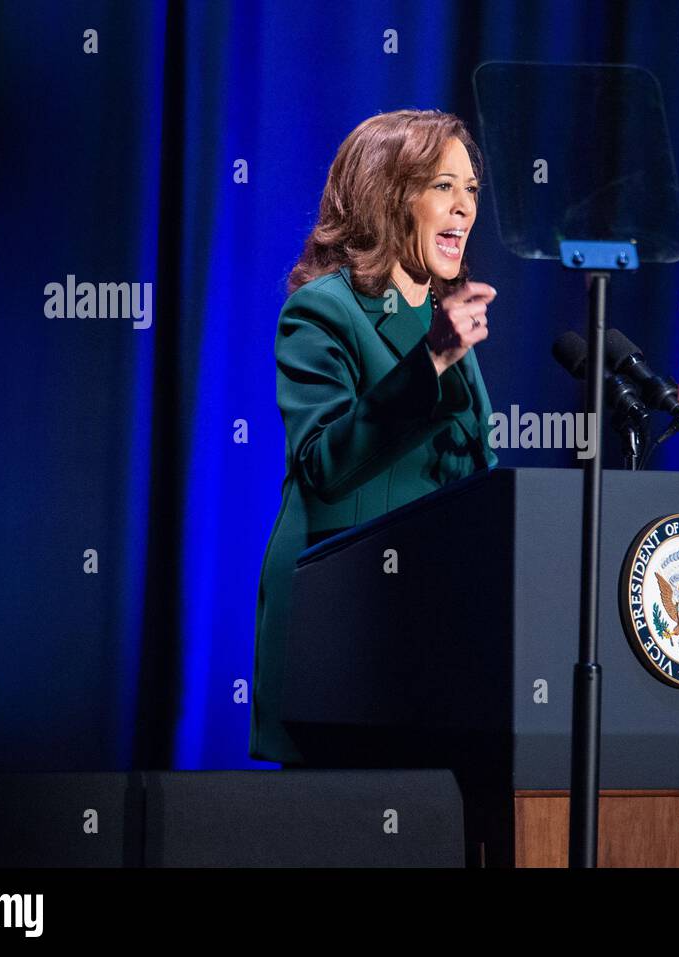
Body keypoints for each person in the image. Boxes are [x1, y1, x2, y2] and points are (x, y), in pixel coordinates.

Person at [250, 109, 499, 765]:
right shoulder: (324, 310)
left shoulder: (445, 321)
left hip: (437, 635)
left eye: (471, 189)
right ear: (389, 196)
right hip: (348, 634)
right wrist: (431, 361)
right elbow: (324, 463)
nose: (464, 207)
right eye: (444, 185)